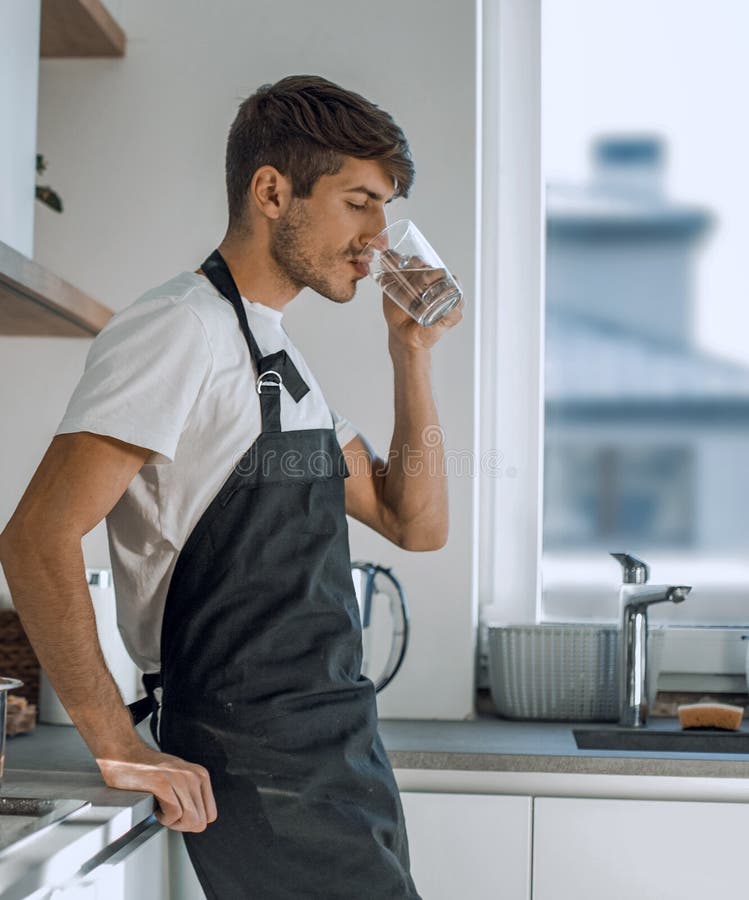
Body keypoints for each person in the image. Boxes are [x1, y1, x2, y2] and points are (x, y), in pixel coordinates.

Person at [0, 74, 462, 898]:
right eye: (358, 202)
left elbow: (412, 519)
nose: (378, 236)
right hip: (256, 763)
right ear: (272, 191)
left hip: (339, 750)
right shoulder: (178, 329)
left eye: (383, 208)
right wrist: (116, 740)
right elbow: (35, 538)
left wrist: (411, 353)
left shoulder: (276, 356)